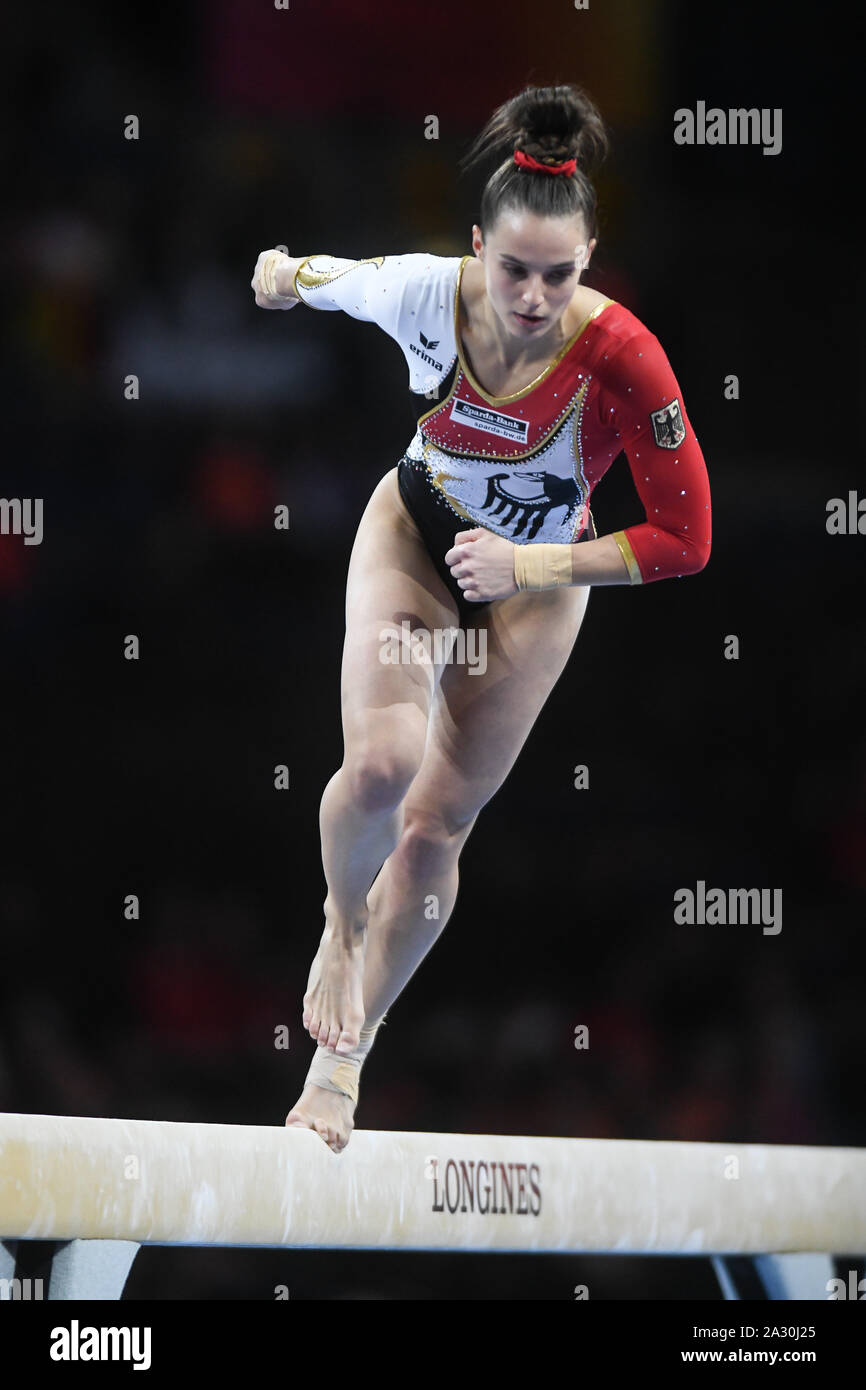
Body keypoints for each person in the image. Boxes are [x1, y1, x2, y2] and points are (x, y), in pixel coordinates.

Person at [250, 83, 711, 1153]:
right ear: (474, 249)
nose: (534, 295)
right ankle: (338, 915)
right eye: (512, 269)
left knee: (434, 825)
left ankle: (341, 1058)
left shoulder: (622, 358)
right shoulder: (423, 294)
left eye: (560, 273)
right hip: (415, 533)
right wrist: (279, 277)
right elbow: (325, 276)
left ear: (590, 257)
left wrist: (528, 561)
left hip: (538, 590)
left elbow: (684, 541)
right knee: (379, 767)